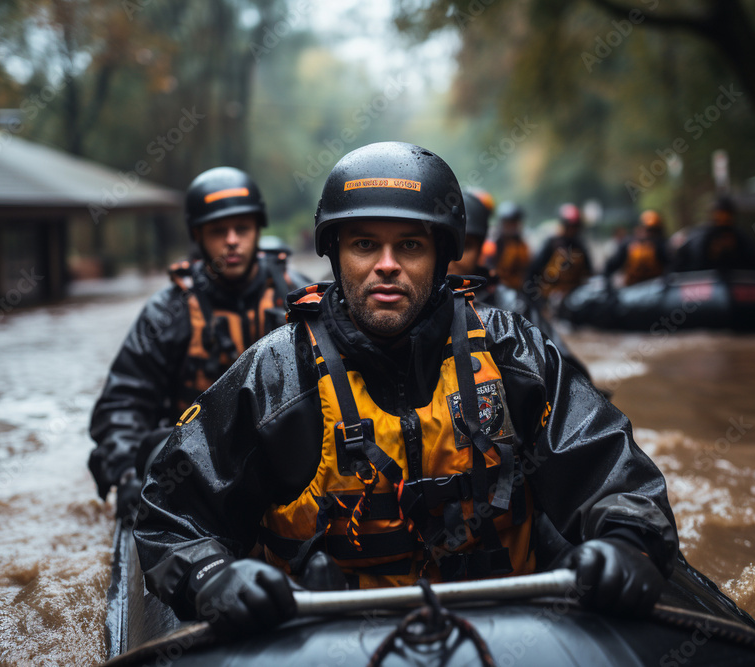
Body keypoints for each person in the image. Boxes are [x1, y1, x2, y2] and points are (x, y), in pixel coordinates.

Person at [134, 142, 678, 635]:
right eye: (365, 244)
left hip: (510, 626)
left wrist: (628, 541)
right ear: (336, 253)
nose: (386, 267)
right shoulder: (275, 375)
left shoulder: (514, 352)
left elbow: (614, 473)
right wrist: (209, 577)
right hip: (326, 639)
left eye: (410, 246)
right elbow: (171, 515)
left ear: (442, 256)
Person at [88, 166, 307, 516]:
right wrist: (129, 472)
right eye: (218, 231)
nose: (232, 240)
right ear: (198, 236)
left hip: (279, 457)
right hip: (190, 464)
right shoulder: (166, 313)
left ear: (257, 230)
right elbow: (122, 405)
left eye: (243, 228)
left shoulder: (297, 298)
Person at [450, 187, 596, 382]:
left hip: (531, 292)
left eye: (465, 247)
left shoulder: (512, 305)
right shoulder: (507, 245)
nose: (451, 258)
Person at [670, 196, 755, 273]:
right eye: (718, 222)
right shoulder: (697, 244)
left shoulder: (745, 243)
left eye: (727, 223)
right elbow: (680, 272)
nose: (722, 232)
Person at [527, 203, 593, 306]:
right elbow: (534, 270)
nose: (572, 230)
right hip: (550, 295)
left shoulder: (580, 246)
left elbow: (589, 272)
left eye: (575, 227)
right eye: (569, 226)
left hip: (573, 295)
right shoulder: (552, 243)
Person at [604, 210, 669, 286]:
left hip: (648, 287)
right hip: (641, 287)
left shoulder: (628, 244)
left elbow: (610, 266)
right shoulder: (659, 244)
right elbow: (612, 264)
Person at [491, 201, 531, 290]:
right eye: (508, 223)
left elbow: (526, 268)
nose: (511, 227)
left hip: (517, 288)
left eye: (514, 223)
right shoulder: (493, 243)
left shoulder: (521, 245)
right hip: (495, 287)